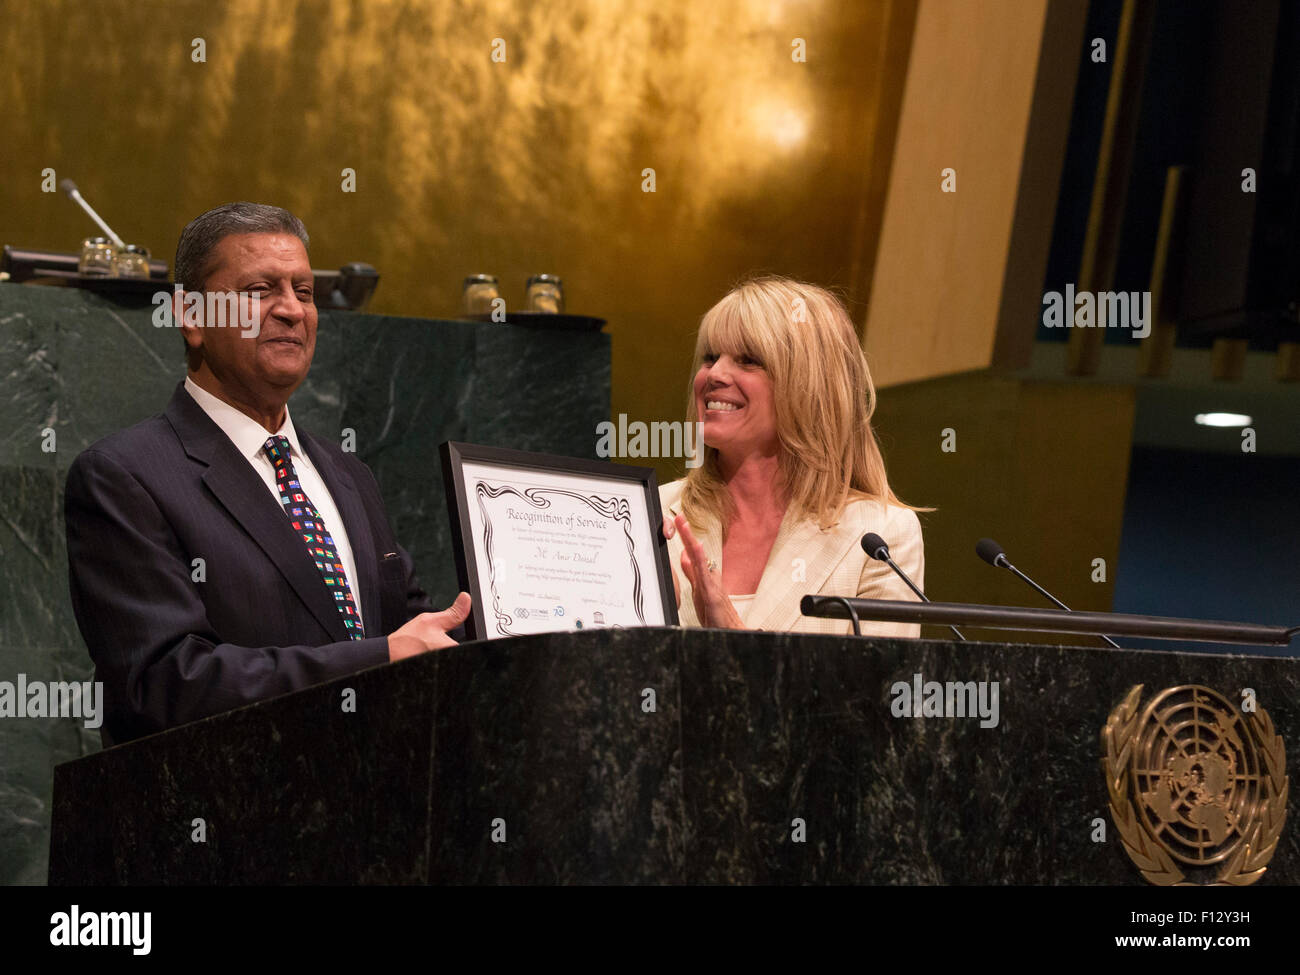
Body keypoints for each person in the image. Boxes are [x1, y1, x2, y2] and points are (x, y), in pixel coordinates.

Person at [65, 202, 470, 747]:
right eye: (260, 291)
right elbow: (164, 683)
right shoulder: (124, 476)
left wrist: (536, 631)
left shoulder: (349, 475)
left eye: (303, 292)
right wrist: (378, 658)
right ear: (191, 316)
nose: (291, 311)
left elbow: (414, 631)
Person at [660, 276, 925, 636]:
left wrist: (731, 636)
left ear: (809, 385)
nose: (715, 374)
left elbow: (874, 691)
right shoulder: (652, 514)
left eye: (749, 360)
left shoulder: (880, 537)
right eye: (710, 357)